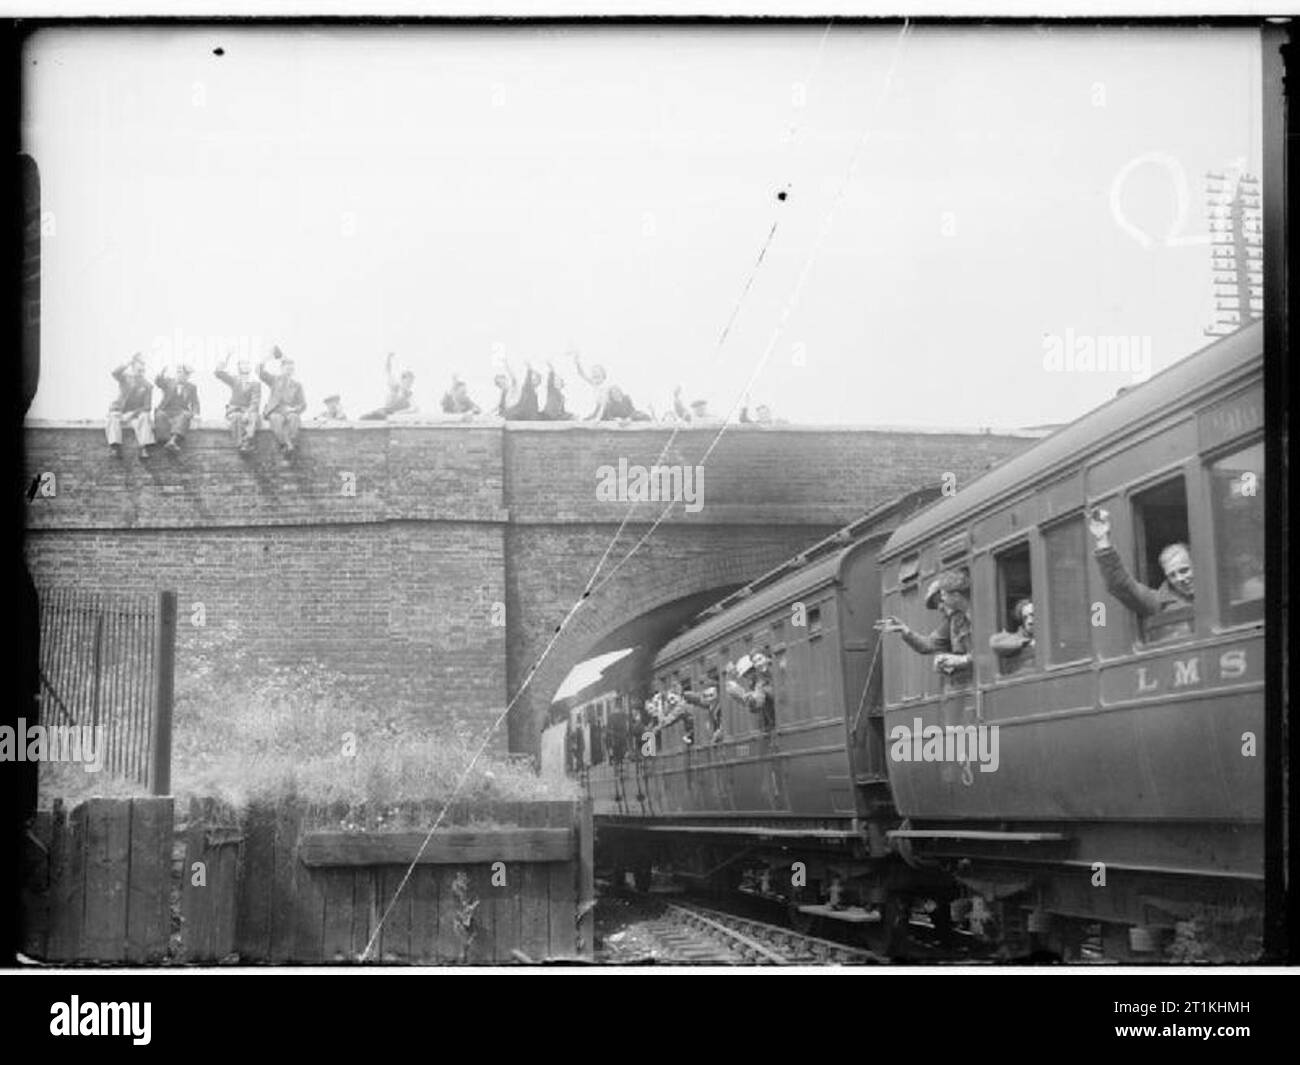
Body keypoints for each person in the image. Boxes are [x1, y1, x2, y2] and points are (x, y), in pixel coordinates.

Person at [1088, 507, 1193, 637]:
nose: (1180, 579)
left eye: (1184, 570)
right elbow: (1120, 584)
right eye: (1172, 575)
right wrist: (1102, 540)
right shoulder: (1159, 602)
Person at [875, 569, 974, 677]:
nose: (941, 607)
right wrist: (905, 631)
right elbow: (930, 645)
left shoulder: (973, 613)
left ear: (955, 596)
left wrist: (961, 660)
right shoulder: (953, 621)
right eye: (937, 604)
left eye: (941, 600)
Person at [106, 353, 156, 459]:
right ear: (133, 367)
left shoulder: (147, 385)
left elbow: (147, 407)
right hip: (120, 412)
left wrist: (132, 413)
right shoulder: (125, 378)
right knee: (113, 417)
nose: (141, 372)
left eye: (143, 369)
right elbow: (115, 373)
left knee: (145, 416)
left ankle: (143, 448)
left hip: (134, 416)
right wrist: (128, 363)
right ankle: (115, 447)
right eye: (138, 368)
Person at [259, 348, 307, 456]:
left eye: (291, 369)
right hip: (275, 410)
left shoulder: (297, 385)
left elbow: (303, 404)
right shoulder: (274, 380)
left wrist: (294, 409)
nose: (289, 371)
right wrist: (268, 357)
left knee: (294, 418)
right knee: (276, 419)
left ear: (293, 371)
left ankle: (289, 443)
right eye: (287, 368)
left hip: (289, 411)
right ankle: (286, 444)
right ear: (281, 369)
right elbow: (260, 372)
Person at [215, 352, 262, 453]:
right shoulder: (234, 380)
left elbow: (255, 401)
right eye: (243, 364)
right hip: (235, 409)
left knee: (253, 416)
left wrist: (248, 412)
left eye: (247, 364)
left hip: (248, 409)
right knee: (236, 416)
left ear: (250, 367)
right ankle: (240, 444)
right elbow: (218, 373)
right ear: (239, 367)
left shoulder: (255, 383)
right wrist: (226, 357)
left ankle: (248, 440)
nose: (245, 366)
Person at [152, 363, 199, 454]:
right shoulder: (169, 382)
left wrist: (195, 413)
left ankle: (173, 441)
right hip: (166, 410)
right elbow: (158, 382)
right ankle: (166, 440)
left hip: (180, 411)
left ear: (188, 376)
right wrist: (161, 372)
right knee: (160, 415)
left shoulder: (192, 387)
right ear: (177, 373)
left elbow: (195, 402)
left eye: (186, 375)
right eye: (179, 373)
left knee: (184, 416)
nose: (182, 376)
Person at [725, 650, 776, 732]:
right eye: (745, 676)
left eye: (747, 674)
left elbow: (756, 703)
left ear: (753, 669)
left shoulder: (761, 682)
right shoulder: (757, 683)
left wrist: (742, 695)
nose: (747, 677)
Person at [361, 353, 417, 420]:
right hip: (384, 412)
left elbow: (415, 409)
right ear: (402, 380)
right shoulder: (395, 387)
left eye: (411, 382)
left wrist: (399, 414)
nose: (409, 384)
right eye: (408, 381)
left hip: (393, 416)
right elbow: (388, 372)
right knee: (365, 418)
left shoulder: (409, 395)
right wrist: (388, 359)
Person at [990, 599, 1035, 673]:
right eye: (1025, 617)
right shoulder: (1017, 638)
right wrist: (1028, 642)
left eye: (1033, 615)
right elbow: (994, 642)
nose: (1029, 621)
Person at [571, 350, 613, 420]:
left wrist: (598, 418)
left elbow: (603, 405)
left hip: (606, 410)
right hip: (598, 409)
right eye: (593, 372)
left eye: (597, 372)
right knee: (585, 419)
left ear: (603, 374)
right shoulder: (595, 384)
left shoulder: (605, 387)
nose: (594, 374)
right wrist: (577, 362)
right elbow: (582, 374)